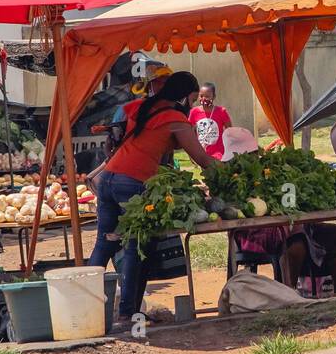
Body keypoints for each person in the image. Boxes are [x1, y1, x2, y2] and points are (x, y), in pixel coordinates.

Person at [87, 71, 220, 329]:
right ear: (184, 95)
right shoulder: (174, 117)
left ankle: (86, 311)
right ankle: (127, 314)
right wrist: (225, 173)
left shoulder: (143, 106)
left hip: (109, 178)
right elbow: (201, 158)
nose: (191, 105)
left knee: (104, 245)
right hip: (131, 182)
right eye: (191, 99)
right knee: (138, 248)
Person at [189, 82, 232, 160]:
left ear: (214, 96)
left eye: (207, 96)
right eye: (201, 96)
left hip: (219, 153)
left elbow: (229, 131)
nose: (203, 99)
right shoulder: (194, 112)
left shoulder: (221, 111)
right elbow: (190, 132)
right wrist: (192, 152)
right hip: (202, 154)